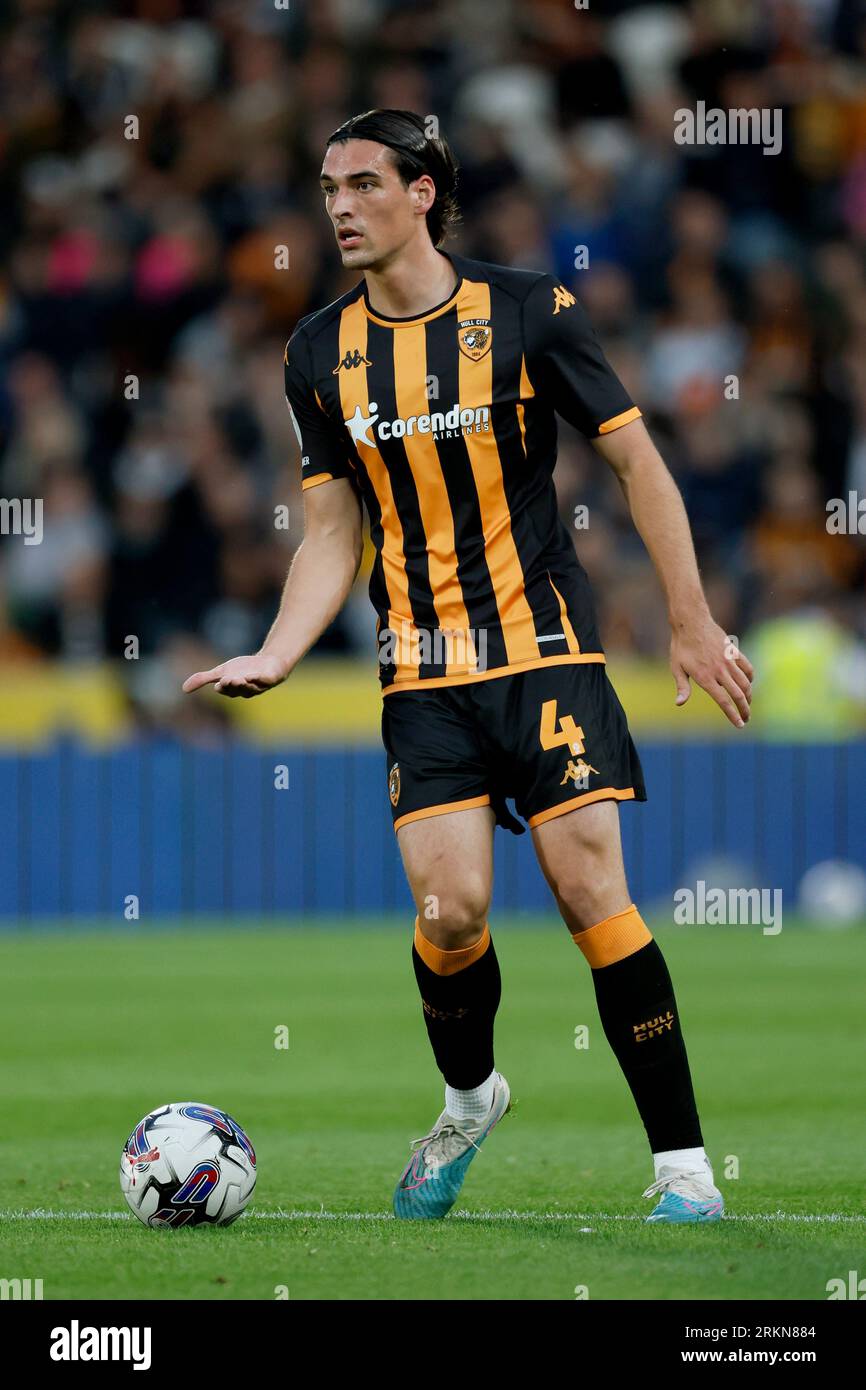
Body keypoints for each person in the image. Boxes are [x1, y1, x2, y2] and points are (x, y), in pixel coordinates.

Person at [183, 109, 753, 1223]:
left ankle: (683, 1169)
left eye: (361, 183)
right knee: (449, 915)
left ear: (423, 193)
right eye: (327, 185)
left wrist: (691, 620)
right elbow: (333, 530)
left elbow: (638, 463)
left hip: (543, 645)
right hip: (418, 667)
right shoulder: (316, 356)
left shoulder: (530, 312)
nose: (338, 206)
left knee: (590, 887)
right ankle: (470, 1095)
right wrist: (279, 648)